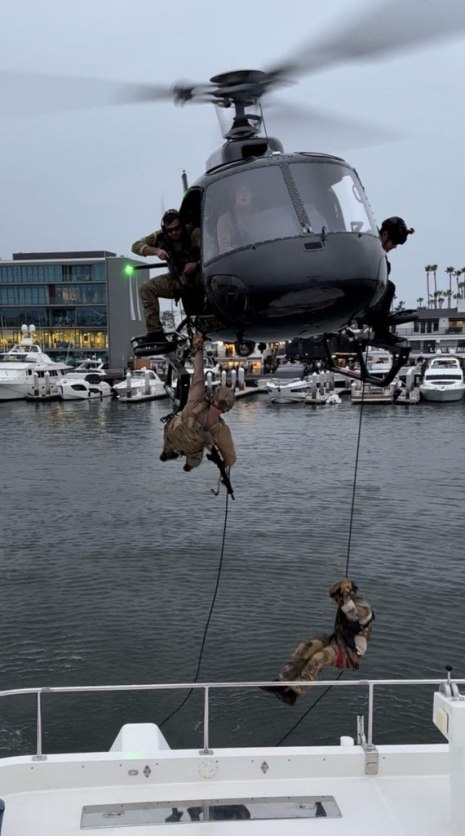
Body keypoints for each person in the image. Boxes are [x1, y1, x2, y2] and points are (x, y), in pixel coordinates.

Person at [261, 578, 373, 706]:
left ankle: (294, 693)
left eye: (337, 598)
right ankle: (283, 682)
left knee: (319, 658)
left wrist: (345, 594)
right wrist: (344, 596)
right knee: (306, 648)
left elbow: (353, 615)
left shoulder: (363, 608)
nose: (336, 602)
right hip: (337, 641)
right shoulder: (345, 605)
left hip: (350, 651)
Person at [160, 334, 236, 472]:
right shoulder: (221, 429)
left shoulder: (196, 399)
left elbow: (198, 372)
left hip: (172, 436)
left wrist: (198, 349)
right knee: (198, 450)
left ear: (213, 396)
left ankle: (167, 452)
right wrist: (224, 463)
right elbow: (231, 459)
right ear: (227, 409)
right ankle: (189, 465)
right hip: (191, 449)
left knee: (173, 424)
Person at [131, 210, 201, 347]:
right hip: (178, 280)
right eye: (170, 231)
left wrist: (196, 264)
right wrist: (156, 251)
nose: (174, 233)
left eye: (177, 229)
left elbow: (213, 252)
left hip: (201, 279)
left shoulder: (194, 233)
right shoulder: (160, 236)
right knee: (146, 288)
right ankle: (155, 333)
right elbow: (136, 246)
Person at [366, 216, 415, 346]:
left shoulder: (374, 249)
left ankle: (379, 325)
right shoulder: (369, 248)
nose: (394, 247)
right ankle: (380, 332)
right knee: (389, 287)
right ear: (385, 234)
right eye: (394, 243)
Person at [216, 183, 256, 254]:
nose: (244, 195)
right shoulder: (225, 220)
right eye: (239, 191)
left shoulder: (264, 214)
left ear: (252, 194)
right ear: (233, 196)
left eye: (247, 191)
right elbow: (224, 249)